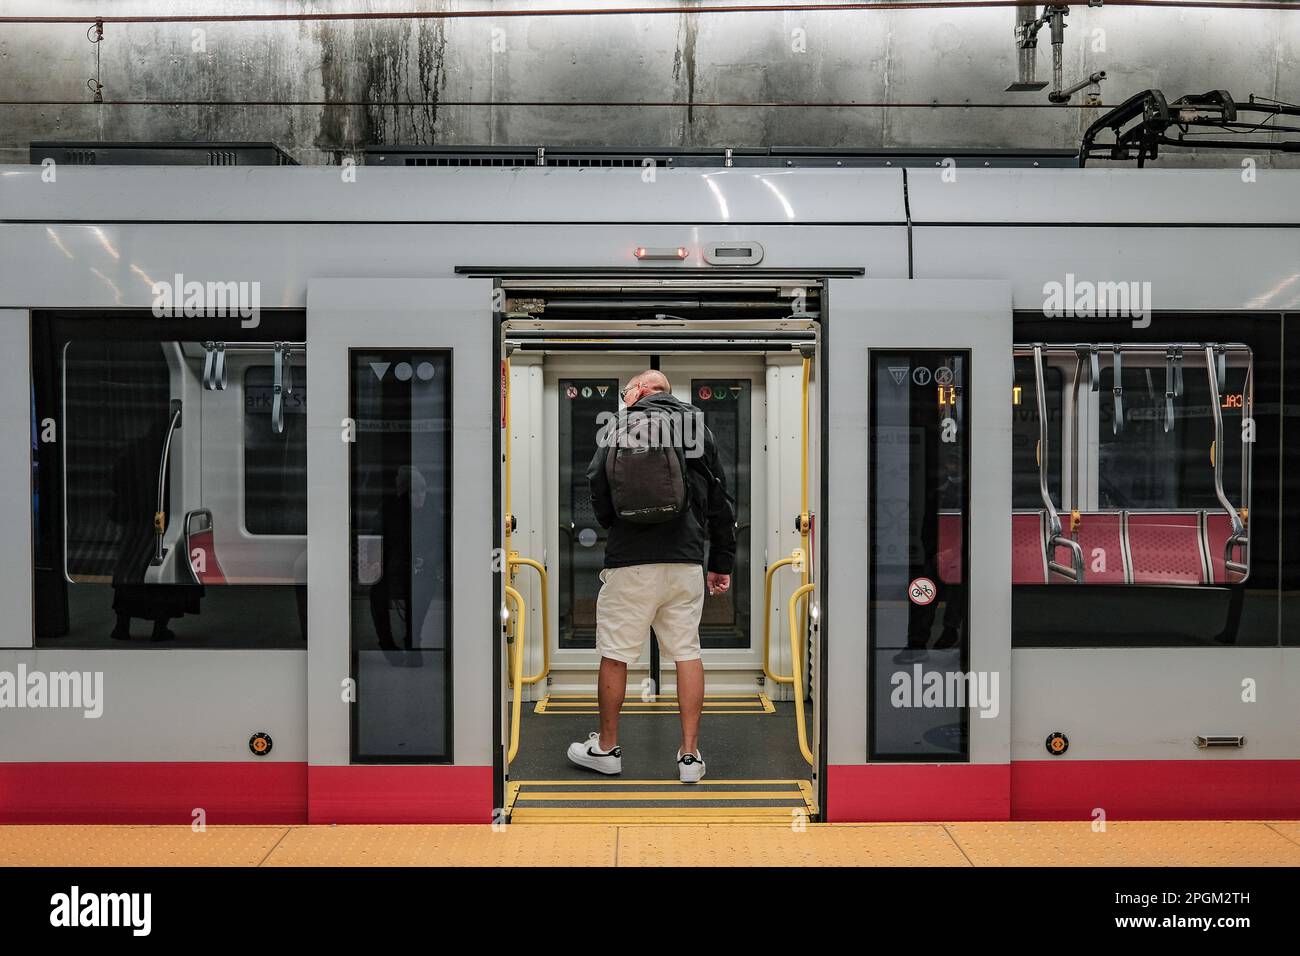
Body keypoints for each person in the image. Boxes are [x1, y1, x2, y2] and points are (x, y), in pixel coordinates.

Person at [567, 370, 736, 783]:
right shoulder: (697, 427)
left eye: (627, 390)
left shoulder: (620, 425)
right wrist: (721, 562)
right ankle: (690, 757)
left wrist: (615, 523)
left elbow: (595, 482)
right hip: (684, 560)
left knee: (616, 653)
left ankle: (607, 748)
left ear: (640, 390)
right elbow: (720, 498)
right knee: (686, 652)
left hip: (630, 561)